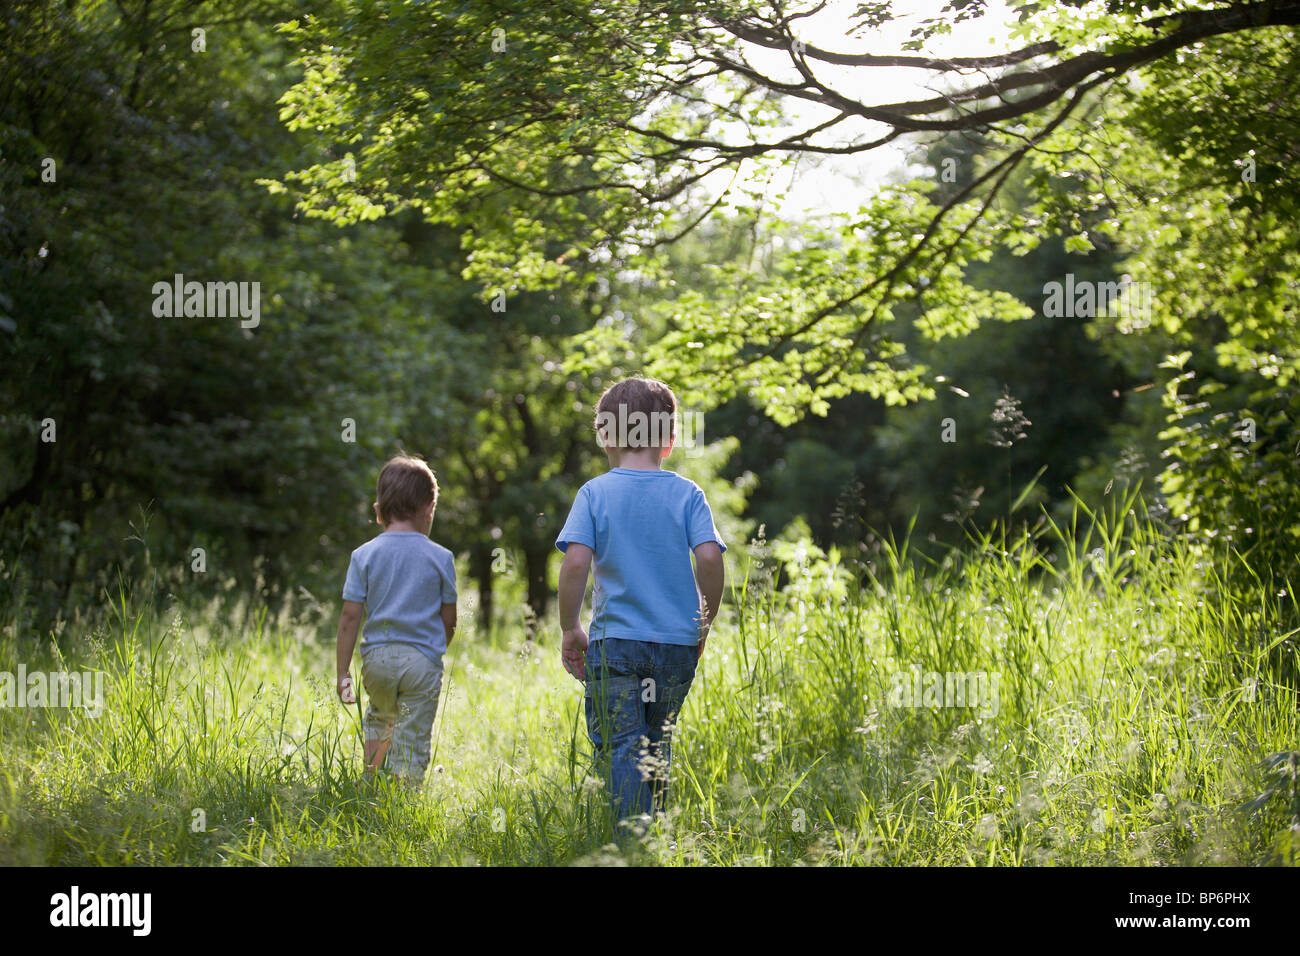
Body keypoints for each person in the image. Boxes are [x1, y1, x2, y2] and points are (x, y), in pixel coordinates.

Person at [556, 377, 726, 826]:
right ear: (669, 440)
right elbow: (709, 556)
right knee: (656, 742)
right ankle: (654, 836)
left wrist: (570, 626)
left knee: (621, 745)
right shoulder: (688, 494)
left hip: (617, 644)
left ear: (605, 435)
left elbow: (575, 564)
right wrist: (702, 622)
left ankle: (633, 838)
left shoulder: (594, 493)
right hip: (675, 645)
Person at [335, 454, 457, 786]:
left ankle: (372, 784)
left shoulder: (364, 555)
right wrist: (433, 650)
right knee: (413, 730)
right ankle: (403, 797)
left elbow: (349, 617)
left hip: (377, 660)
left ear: (378, 512)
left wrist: (343, 672)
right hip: (421, 661)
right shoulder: (441, 557)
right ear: (429, 509)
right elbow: (449, 619)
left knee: (380, 718)